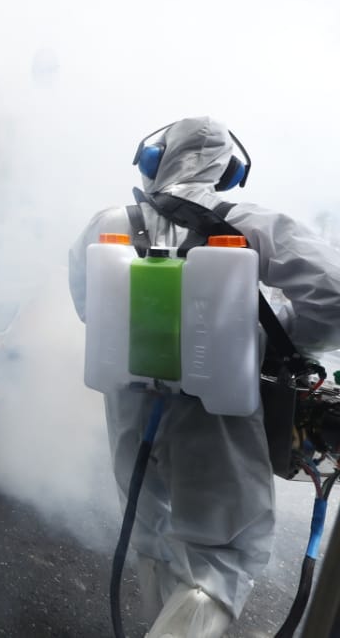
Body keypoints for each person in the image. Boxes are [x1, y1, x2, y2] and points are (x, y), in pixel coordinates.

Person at [67, 116, 340, 638]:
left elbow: (87, 305)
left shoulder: (108, 221)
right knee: (222, 557)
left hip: (129, 407)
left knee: (150, 534)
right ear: (228, 170)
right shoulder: (252, 223)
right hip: (213, 416)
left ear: (153, 160)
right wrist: (274, 338)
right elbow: (334, 295)